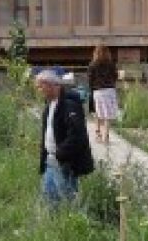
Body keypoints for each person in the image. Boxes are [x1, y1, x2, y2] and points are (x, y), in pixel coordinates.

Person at [36, 70, 95, 207]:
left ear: (52, 85)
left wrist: (60, 154)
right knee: (49, 200)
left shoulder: (69, 105)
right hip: (50, 161)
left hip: (64, 162)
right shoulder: (50, 105)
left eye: (41, 86)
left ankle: (72, 226)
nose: (39, 90)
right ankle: (52, 227)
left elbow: (77, 136)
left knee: (67, 201)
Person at [86, 43, 120, 144]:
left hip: (98, 91)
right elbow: (115, 76)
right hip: (109, 91)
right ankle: (106, 136)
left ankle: (98, 134)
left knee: (98, 113)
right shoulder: (111, 64)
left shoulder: (93, 64)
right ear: (107, 53)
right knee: (108, 115)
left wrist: (92, 89)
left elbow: (89, 79)